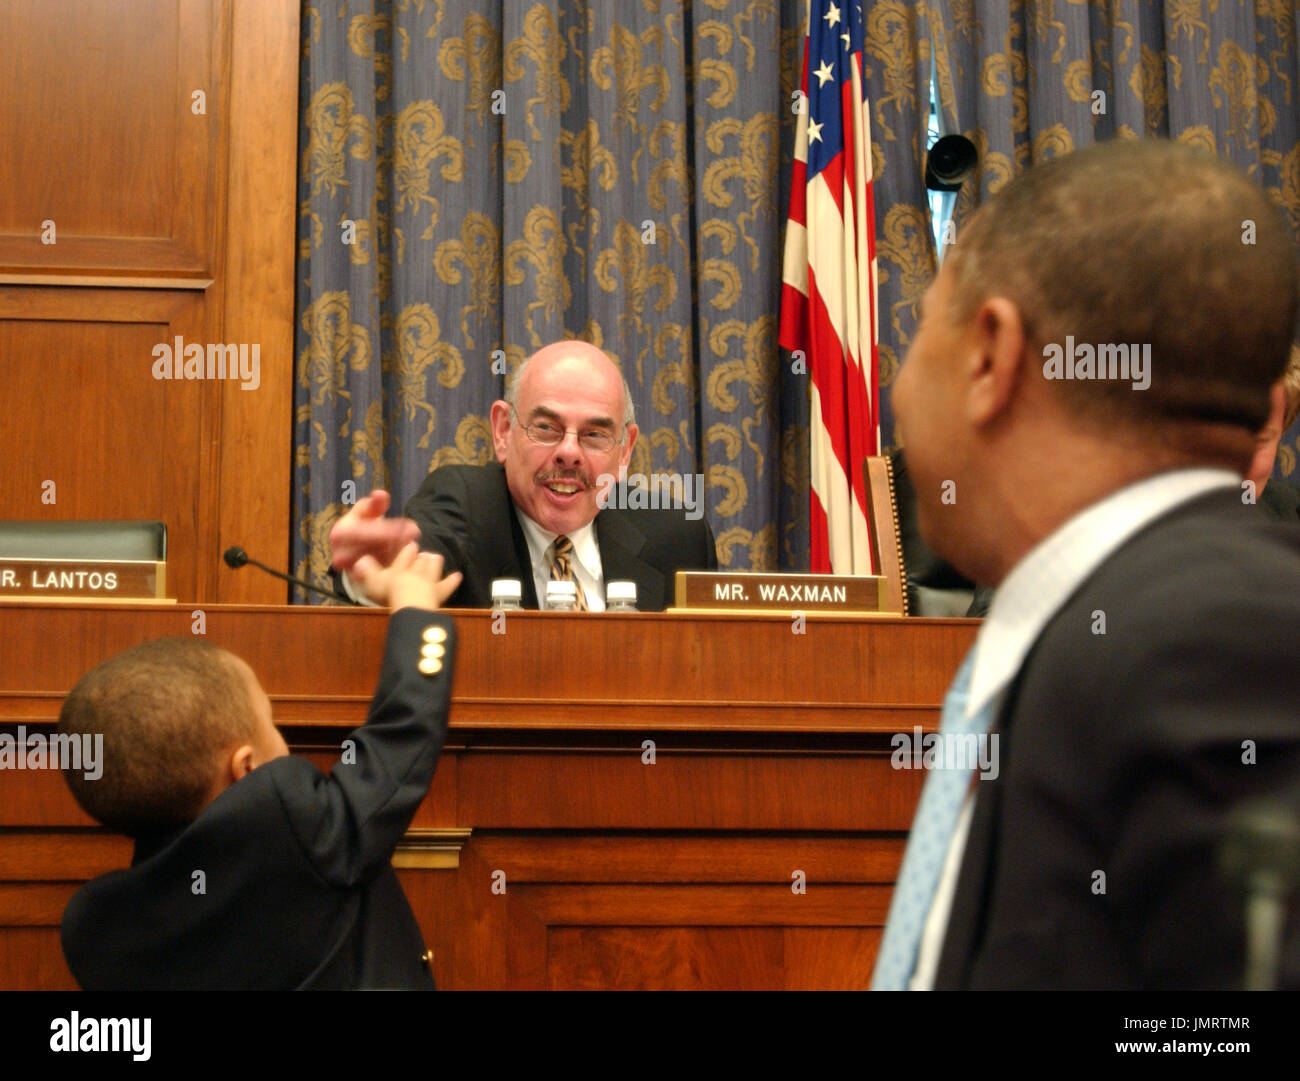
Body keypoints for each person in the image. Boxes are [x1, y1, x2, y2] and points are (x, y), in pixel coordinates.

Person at [874, 138, 1300, 991]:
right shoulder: (1092, 619)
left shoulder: (1218, 639)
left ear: (991, 356)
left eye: (921, 329)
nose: (898, 385)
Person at [58, 545, 463, 990]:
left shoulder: (94, 928)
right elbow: (400, 735)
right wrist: (416, 611)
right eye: (270, 721)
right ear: (245, 768)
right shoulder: (294, 828)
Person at [331, 340, 717, 611]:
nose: (569, 453)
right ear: (502, 430)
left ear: (625, 449)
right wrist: (377, 572)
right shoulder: (465, 502)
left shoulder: (679, 536)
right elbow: (422, 556)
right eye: (547, 427)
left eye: (594, 435)